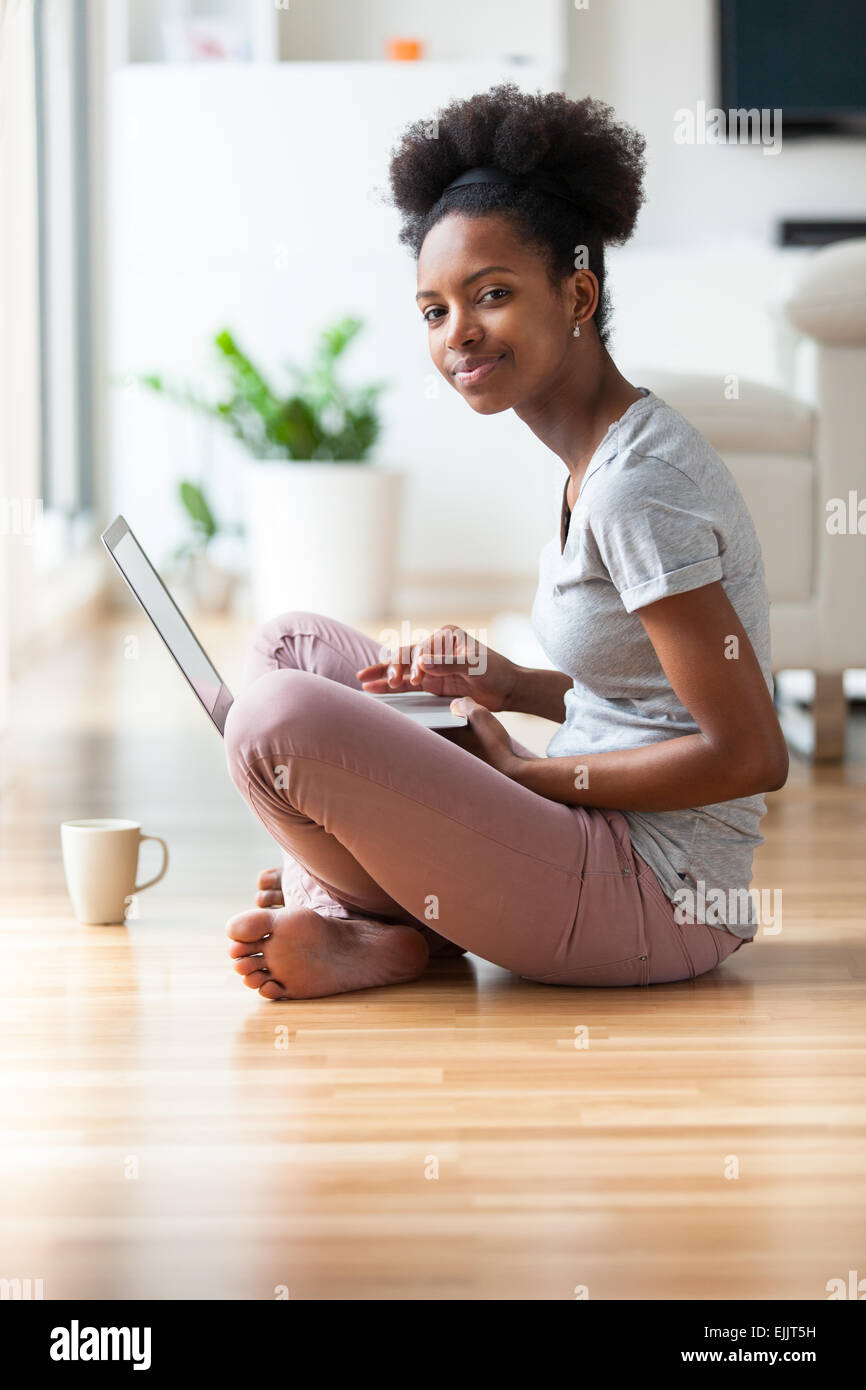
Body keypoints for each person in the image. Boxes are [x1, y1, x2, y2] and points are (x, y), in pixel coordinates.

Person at [224, 83, 788, 1000]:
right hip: (588, 833)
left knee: (272, 721)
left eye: (491, 295)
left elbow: (751, 752)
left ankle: (362, 915)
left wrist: (529, 769)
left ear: (576, 293)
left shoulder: (640, 483)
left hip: (658, 894)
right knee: (292, 647)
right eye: (434, 310)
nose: (459, 335)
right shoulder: (595, 456)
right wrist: (512, 686)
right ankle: (380, 920)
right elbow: (653, 694)